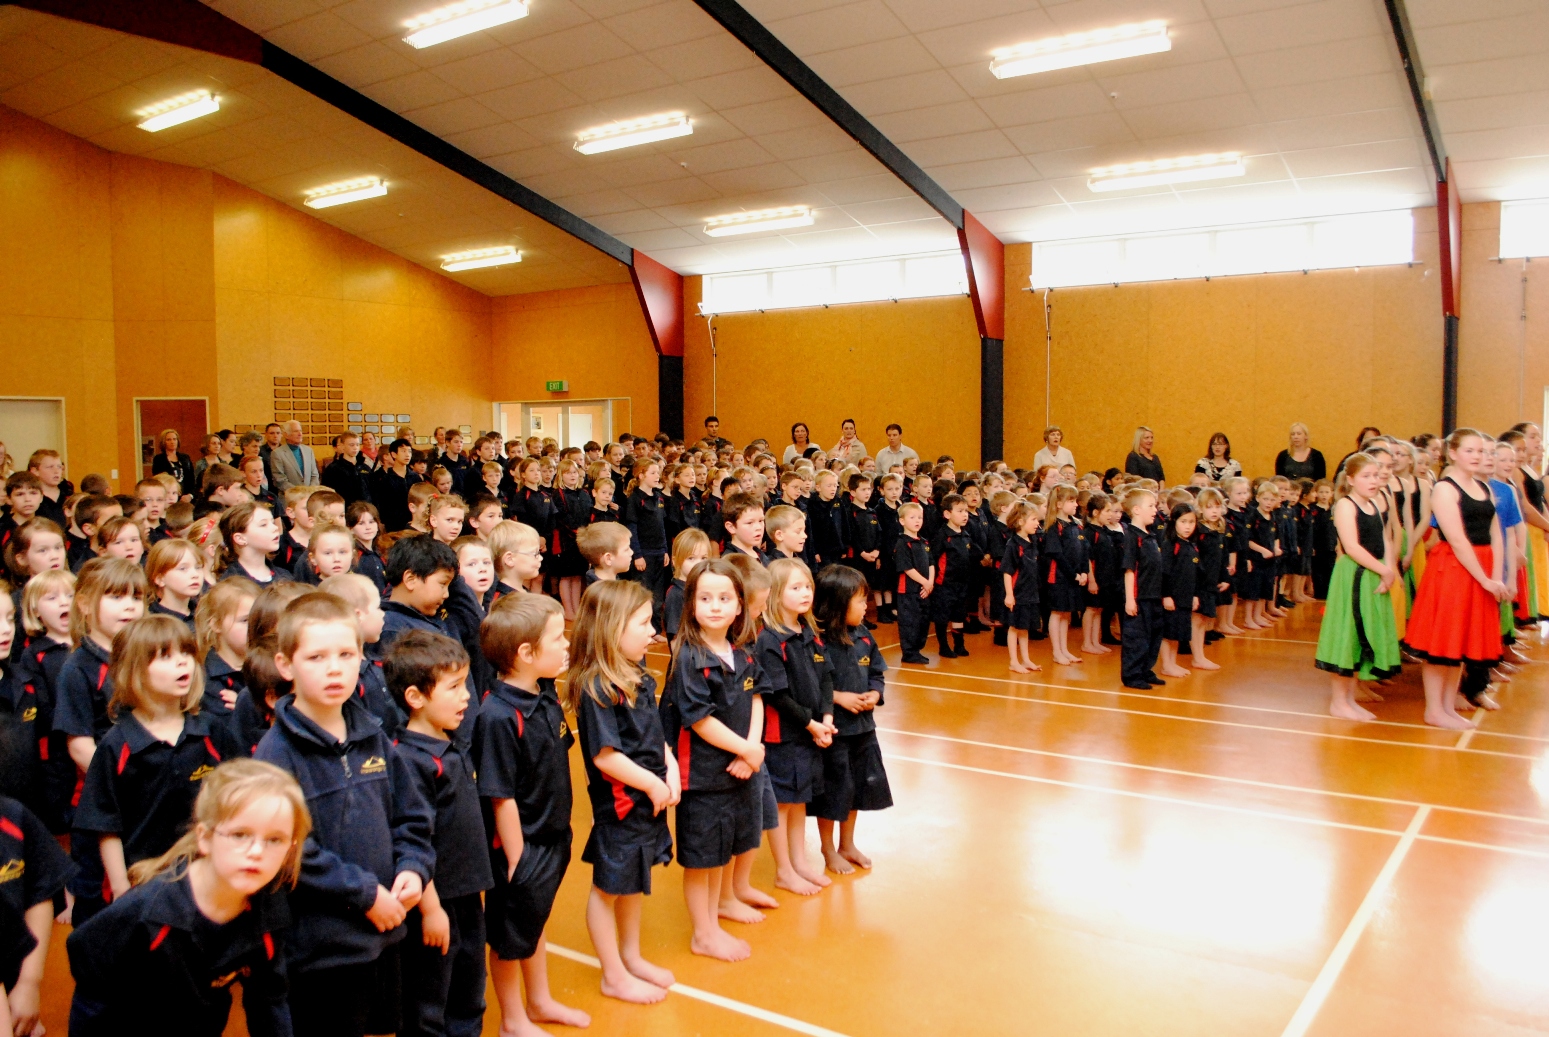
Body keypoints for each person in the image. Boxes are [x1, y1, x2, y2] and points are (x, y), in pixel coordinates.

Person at [255, 591, 433, 1037]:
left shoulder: (373, 736)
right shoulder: (275, 753)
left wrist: (414, 867)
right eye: (316, 657)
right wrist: (365, 894)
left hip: (385, 935)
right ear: (285, 665)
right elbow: (290, 848)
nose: (334, 668)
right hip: (322, 951)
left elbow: (411, 816)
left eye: (345, 654)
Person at [65, 759, 307, 1036]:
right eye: (240, 834)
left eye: (274, 840)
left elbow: (269, 999)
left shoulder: (268, 906)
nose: (256, 851)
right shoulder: (146, 912)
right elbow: (88, 963)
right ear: (204, 838)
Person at [72, 615, 241, 926]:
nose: (183, 664)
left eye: (187, 654)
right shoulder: (116, 745)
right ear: (134, 670)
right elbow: (105, 824)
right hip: (144, 883)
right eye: (166, 656)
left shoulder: (212, 731)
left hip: (206, 875)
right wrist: (122, 886)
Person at [565, 580, 680, 1003]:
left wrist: (669, 768)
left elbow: (654, 736)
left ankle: (630, 955)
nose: (653, 633)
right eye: (644, 624)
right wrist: (651, 782)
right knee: (609, 887)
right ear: (613, 628)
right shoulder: (598, 687)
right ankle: (612, 973)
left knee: (636, 878)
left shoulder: (637, 675)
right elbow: (606, 757)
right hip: (622, 805)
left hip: (649, 802)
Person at [385, 630, 492, 1037]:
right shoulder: (408, 760)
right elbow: (414, 839)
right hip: (436, 902)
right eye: (454, 687)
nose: (466, 695)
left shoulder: (449, 743)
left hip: (465, 897)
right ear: (415, 697)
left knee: (469, 988)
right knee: (429, 998)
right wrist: (431, 910)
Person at [660, 558, 763, 962]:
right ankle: (703, 933)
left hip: (740, 770)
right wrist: (744, 749)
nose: (715, 606)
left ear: (739, 605)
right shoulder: (689, 658)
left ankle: (717, 913)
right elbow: (699, 721)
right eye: (705, 598)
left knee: (723, 850)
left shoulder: (743, 653)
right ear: (691, 605)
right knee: (702, 860)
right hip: (703, 778)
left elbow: (757, 698)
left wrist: (752, 751)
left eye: (724, 598)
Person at [1404, 428, 1509, 730]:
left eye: (1481, 451)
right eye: (1470, 451)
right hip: (1453, 569)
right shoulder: (1445, 489)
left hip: (1481, 566)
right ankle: (1435, 709)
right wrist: (1484, 578)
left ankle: (1448, 707)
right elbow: (1458, 540)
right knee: (1443, 640)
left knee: (1462, 639)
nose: (1477, 456)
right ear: (1453, 453)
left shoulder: (1484, 487)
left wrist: (1496, 574)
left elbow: (1494, 534)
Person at [755, 558, 834, 896]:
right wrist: (811, 724)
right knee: (783, 802)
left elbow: (826, 677)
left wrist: (827, 718)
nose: (805, 594)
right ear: (774, 594)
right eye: (796, 588)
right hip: (783, 735)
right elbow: (777, 695)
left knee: (800, 800)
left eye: (808, 587)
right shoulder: (769, 640)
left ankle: (800, 862)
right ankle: (784, 870)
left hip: (811, 731)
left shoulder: (809, 632)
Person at [808, 564, 890, 875]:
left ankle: (847, 843)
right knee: (833, 790)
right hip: (834, 732)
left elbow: (877, 673)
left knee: (855, 788)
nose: (866, 605)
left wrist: (875, 694)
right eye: (859, 600)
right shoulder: (817, 642)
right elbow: (810, 686)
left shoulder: (865, 636)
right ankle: (828, 848)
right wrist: (837, 698)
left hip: (863, 730)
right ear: (839, 603)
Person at [1314, 452, 1403, 719]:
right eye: (1367, 476)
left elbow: (1385, 539)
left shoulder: (1375, 504)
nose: (1374, 481)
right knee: (1348, 634)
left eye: (1376, 476)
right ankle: (1339, 701)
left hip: (1372, 572)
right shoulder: (1345, 505)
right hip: (1354, 574)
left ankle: (1351, 697)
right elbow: (1351, 547)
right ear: (1351, 479)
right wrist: (1382, 570)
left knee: (1364, 635)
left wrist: (1389, 568)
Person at [1120, 488, 1164, 690]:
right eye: (1151, 506)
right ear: (1136, 510)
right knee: (1137, 639)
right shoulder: (1132, 536)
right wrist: (1130, 599)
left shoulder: (1151, 535)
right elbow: (1129, 569)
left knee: (1153, 637)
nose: (1155, 509)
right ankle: (1132, 675)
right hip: (1139, 597)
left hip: (1153, 595)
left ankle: (1146, 669)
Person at [269, 420, 320, 494]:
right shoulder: (277, 453)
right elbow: (279, 480)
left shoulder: (308, 451)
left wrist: (310, 491)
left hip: (309, 497)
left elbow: (314, 475)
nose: (300, 434)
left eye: (300, 431)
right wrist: (299, 493)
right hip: (290, 497)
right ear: (286, 435)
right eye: (296, 431)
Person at [321, 433, 370, 506]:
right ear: (343, 446)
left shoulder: (365, 468)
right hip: (345, 509)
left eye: (357, 444)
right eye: (351, 445)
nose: (355, 448)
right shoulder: (333, 469)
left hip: (366, 508)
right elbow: (328, 493)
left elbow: (373, 491)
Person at [151, 430, 195, 500]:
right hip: (168, 496)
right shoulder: (159, 459)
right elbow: (158, 479)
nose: (172, 442)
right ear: (163, 442)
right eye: (169, 439)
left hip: (186, 497)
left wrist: (190, 495)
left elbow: (191, 479)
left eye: (174, 439)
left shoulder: (185, 458)